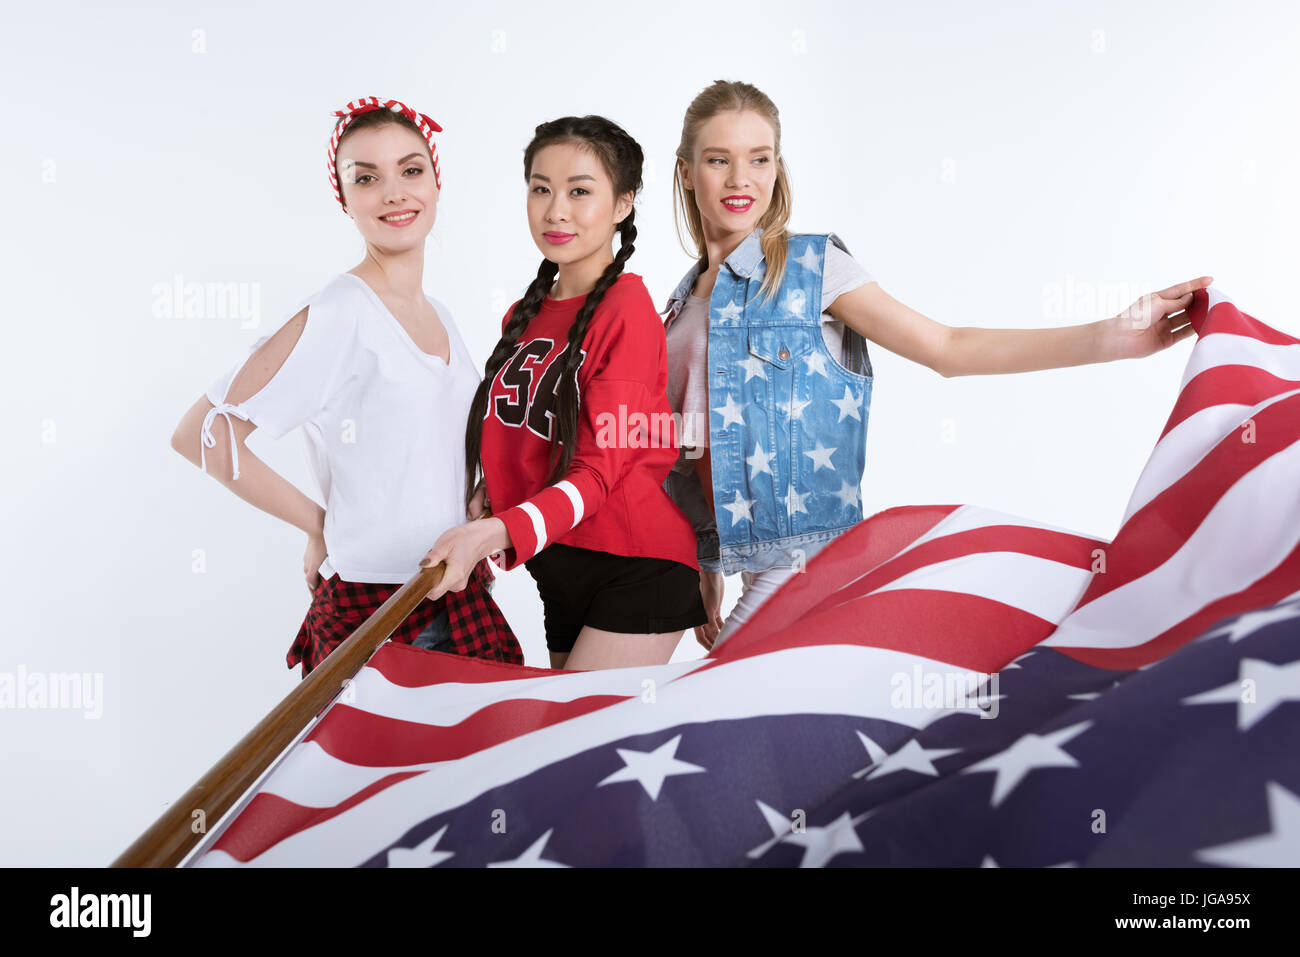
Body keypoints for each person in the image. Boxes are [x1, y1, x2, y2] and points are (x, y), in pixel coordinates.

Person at [661, 79, 1213, 651]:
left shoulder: (812, 266)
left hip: (810, 555)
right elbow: (692, 450)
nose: (740, 179)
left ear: (778, 166)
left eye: (759, 158)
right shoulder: (674, 311)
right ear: (686, 171)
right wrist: (705, 566)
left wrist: (1110, 336)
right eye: (718, 159)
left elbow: (947, 347)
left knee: (720, 698)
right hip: (743, 561)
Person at [170, 96, 522, 678]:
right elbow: (202, 434)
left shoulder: (440, 314)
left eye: (411, 170)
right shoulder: (340, 311)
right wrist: (319, 524)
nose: (394, 193)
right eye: (367, 178)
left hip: (456, 594)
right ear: (345, 199)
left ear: (436, 182)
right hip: (376, 609)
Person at [418, 115, 708, 671]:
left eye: (580, 191)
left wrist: (495, 531)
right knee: (575, 744)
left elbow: (600, 472)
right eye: (540, 189)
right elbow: (526, 444)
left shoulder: (627, 309)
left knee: (578, 744)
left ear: (623, 204)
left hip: (637, 564)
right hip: (558, 564)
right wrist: (489, 496)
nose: (556, 210)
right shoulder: (520, 318)